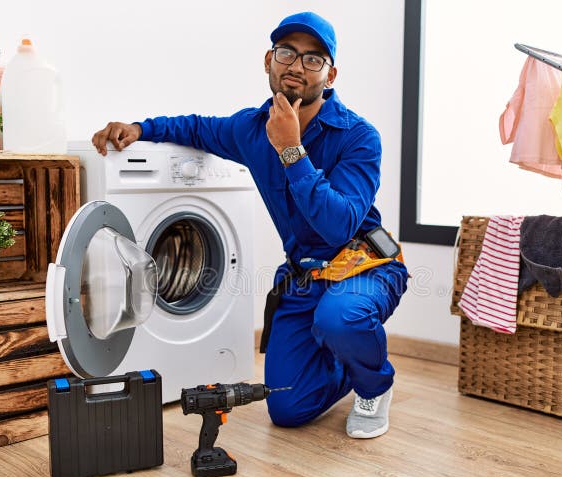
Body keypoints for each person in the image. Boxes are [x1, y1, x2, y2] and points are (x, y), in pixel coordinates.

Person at [91, 12, 408, 439]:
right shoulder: (251, 129)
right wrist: (140, 127)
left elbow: (339, 226)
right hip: (305, 275)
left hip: (365, 266)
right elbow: (199, 129)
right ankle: (348, 365)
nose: (297, 66)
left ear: (330, 75)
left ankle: (375, 384)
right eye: (287, 53)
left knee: (341, 317)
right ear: (268, 61)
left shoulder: (358, 137)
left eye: (313, 59)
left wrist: (292, 149)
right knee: (288, 408)